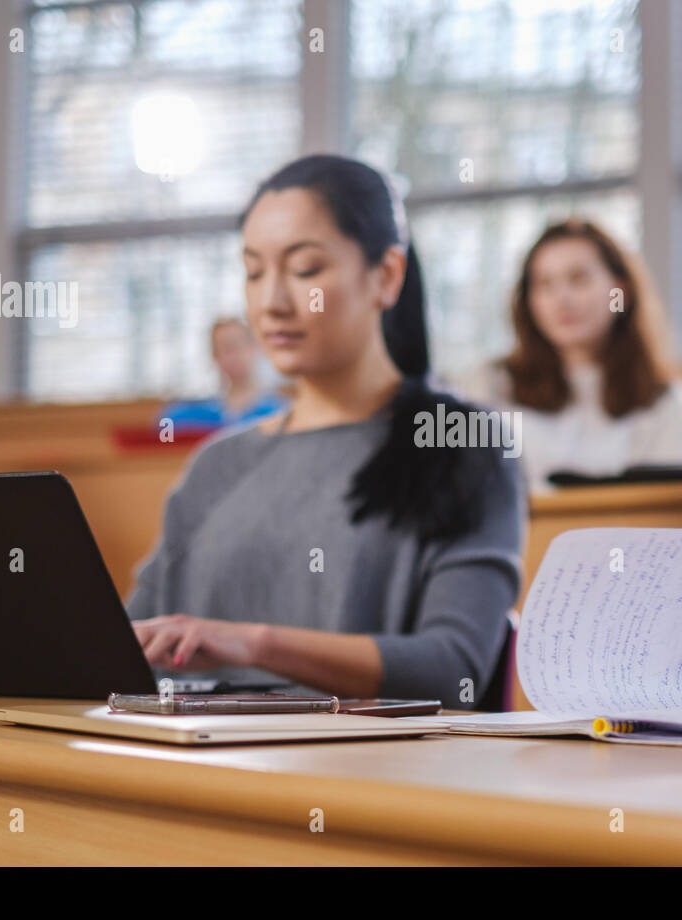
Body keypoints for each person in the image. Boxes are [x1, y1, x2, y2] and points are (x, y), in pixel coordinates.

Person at [126, 155, 526, 705]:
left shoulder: (462, 441)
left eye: (306, 269)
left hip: (367, 780)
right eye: (254, 272)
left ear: (386, 276)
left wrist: (256, 643)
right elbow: (125, 651)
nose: (272, 302)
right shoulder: (218, 465)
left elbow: (453, 670)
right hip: (191, 769)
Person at [460, 218, 682, 492]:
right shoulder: (489, 386)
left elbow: (681, 509)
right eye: (544, 284)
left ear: (620, 292)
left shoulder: (667, 400)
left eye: (578, 279)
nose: (561, 299)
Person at [157, 316, 287, 431]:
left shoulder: (278, 411)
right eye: (224, 349)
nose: (234, 355)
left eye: (239, 345)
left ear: (255, 347)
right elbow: (164, 430)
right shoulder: (193, 413)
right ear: (215, 357)